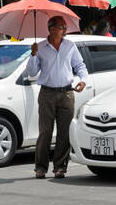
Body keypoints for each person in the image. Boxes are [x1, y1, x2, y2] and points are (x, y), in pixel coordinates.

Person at [25, 17, 87, 179]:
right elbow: (32, 72)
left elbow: (80, 66)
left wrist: (83, 80)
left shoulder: (70, 46)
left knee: (64, 132)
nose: (65, 30)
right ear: (51, 29)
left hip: (67, 93)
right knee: (45, 132)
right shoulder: (41, 47)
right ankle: (40, 167)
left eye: (65, 27)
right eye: (62, 27)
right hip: (47, 94)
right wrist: (33, 54)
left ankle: (60, 167)